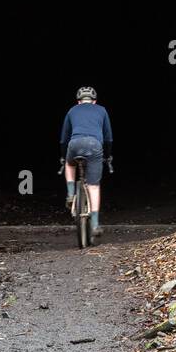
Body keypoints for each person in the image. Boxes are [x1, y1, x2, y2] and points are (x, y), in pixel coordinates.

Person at [60, 86, 113, 240]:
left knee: (70, 165)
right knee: (93, 186)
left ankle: (70, 195)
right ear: (94, 101)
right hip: (94, 145)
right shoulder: (102, 110)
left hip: (74, 144)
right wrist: (108, 155)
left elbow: (64, 138)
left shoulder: (72, 110)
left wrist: (64, 156)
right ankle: (95, 224)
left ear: (78, 101)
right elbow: (108, 137)